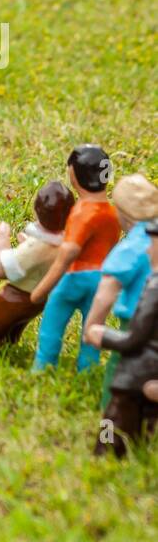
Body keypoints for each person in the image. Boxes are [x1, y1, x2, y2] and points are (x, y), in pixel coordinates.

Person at [30, 145, 121, 372]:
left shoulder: (82, 211)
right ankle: (87, 369)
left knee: (53, 321)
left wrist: (42, 288)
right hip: (101, 280)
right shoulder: (111, 213)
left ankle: (43, 365)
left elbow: (68, 253)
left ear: (76, 175)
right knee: (92, 327)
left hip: (75, 277)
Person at [82, 174, 158, 406]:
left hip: (137, 320)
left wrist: (92, 326)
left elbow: (107, 292)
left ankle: (111, 413)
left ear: (122, 213)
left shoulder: (130, 248)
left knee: (121, 370)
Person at [85, 220, 158, 458]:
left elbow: (135, 338)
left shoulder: (155, 287)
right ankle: (140, 448)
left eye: (153, 243)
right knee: (146, 414)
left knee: (113, 415)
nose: (148, 249)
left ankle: (106, 450)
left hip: (142, 366)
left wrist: (103, 335)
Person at [0, 180, 74, 354]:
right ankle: (8, 347)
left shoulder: (36, 248)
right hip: (38, 301)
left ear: (37, 210)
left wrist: (2, 237)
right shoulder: (65, 245)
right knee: (12, 330)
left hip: (16, 296)